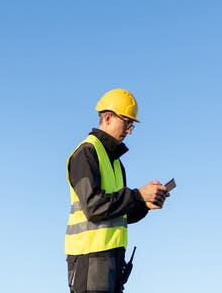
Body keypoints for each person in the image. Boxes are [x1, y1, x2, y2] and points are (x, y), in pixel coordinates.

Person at [65, 88, 167, 293]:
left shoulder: (116, 164)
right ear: (108, 117)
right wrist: (137, 195)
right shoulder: (86, 152)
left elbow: (117, 213)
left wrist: (143, 205)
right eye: (127, 122)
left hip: (112, 260)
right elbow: (94, 206)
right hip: (89, 258)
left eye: (131, 125)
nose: (129, 130)